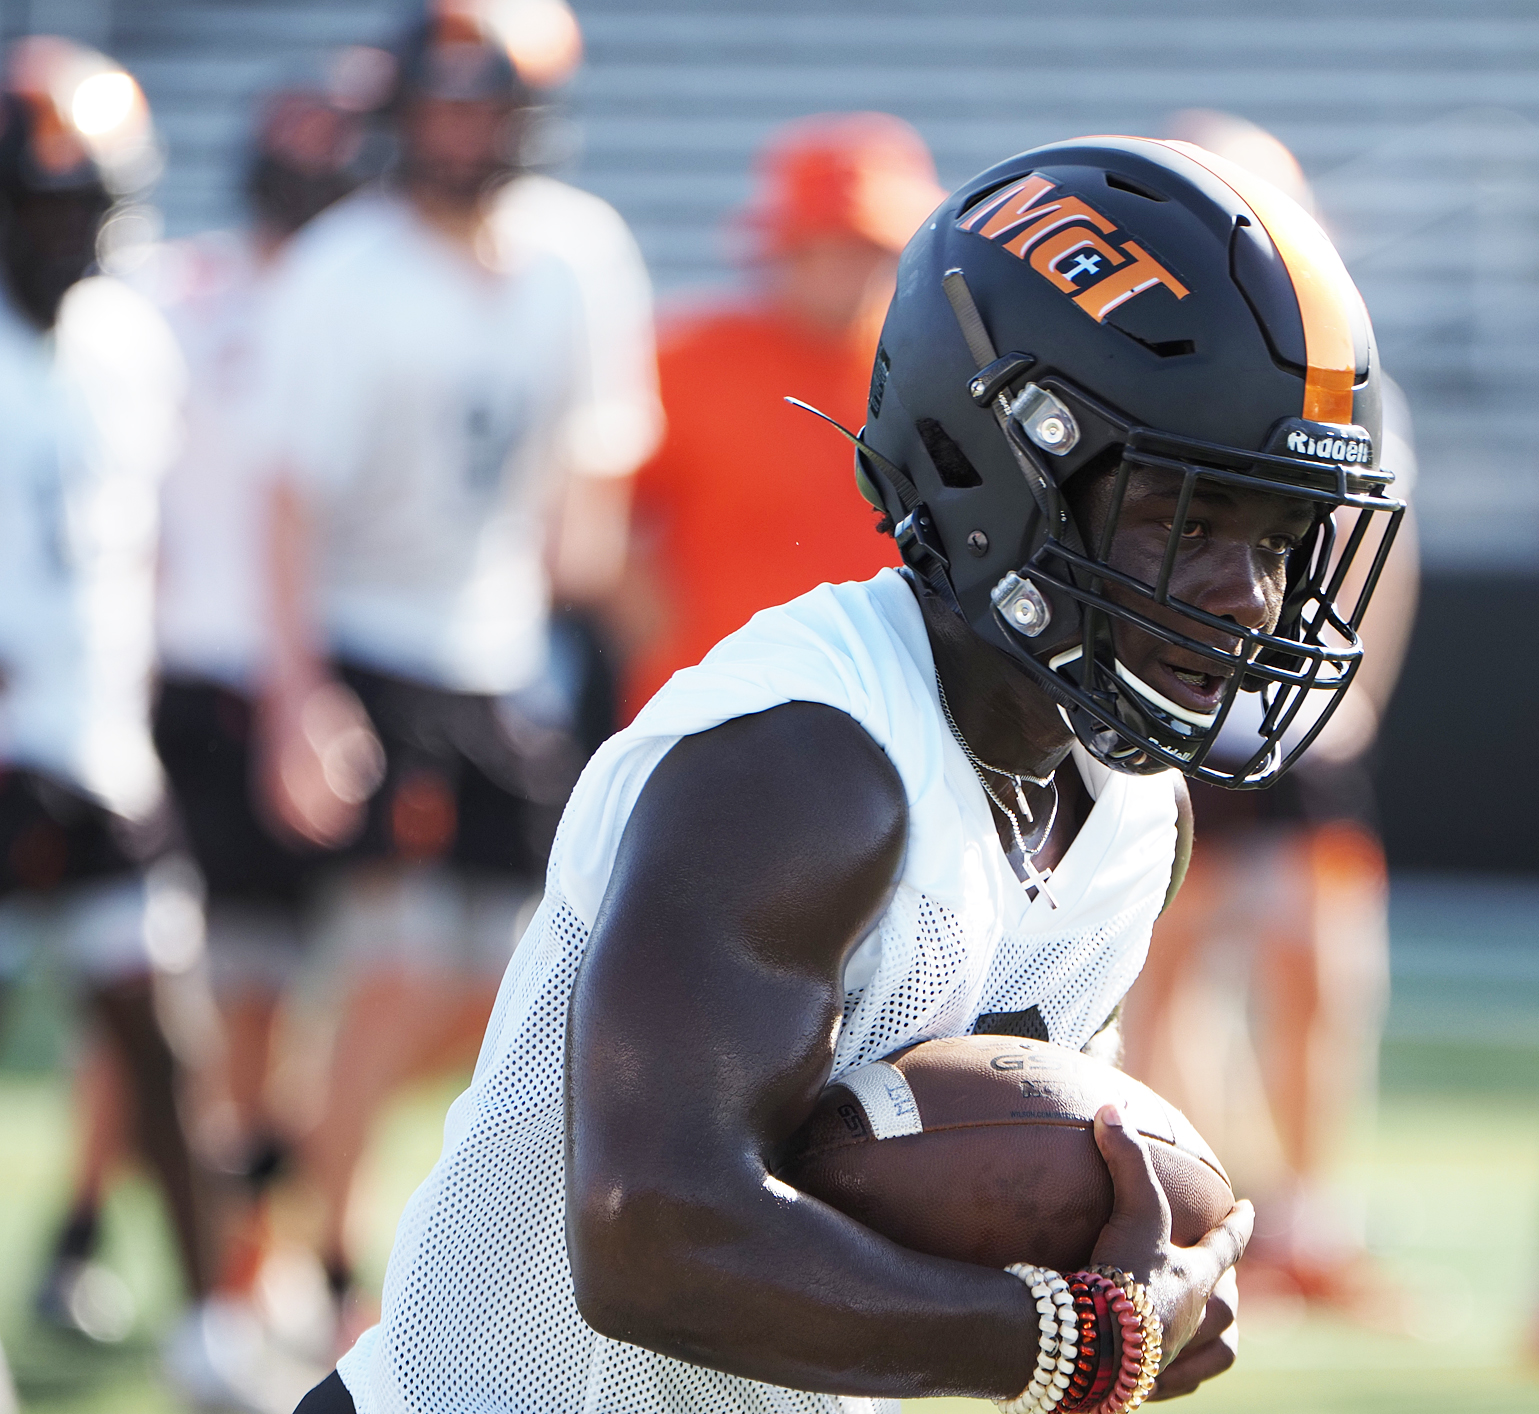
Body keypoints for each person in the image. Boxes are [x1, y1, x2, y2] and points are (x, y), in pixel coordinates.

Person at [289, 133, 1405, 1414]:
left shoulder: (1127, 813)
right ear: (1005, 464)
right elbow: (648, 1234)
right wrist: (1068, 1343)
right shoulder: (807, 763)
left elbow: (966, 1184)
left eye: (1275, 537)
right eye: (1185, 519)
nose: (1242, 596)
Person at [250, 0, 659, 1343]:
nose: (456, 133)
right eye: (438, 105)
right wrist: (298, 694)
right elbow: (289, 500)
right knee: (396, 962)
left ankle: (272, 1152)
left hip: (498, 657)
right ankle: (321, 1252)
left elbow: (585, 500)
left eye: (481, 108)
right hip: (369, 642)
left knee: (522, 985)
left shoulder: (575, 256)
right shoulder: (346, 270)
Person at [0, 33, 290, 1408]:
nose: (62, 236)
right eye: (34, 209)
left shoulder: (131, 340)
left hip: (99, 747)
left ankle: (206, 1332)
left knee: (163, 1046)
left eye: (80, 209)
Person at [1119, 110, 1421, 1327]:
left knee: (1323, 960)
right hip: (1157, 686)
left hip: (1283, 698)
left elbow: (1374, 549)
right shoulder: (1142, 352)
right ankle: (1196, 1204)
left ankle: (1303, 1216)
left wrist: (1339, 708)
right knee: (1161, 963)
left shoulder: (1344, 362)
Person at [614, 111, 941, 718]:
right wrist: (658, 631)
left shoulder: (936, 369)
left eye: (863, 248)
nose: (843, 270)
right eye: (823, 246)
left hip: (892, 699)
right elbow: (605, 514)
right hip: (715, 697)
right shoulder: (686, 362)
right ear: (783, 246)